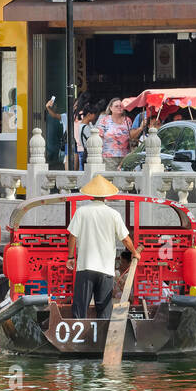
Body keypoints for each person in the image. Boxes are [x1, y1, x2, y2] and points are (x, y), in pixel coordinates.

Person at [66, 174, 141, 319]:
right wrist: (134, 252)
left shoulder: (81, 212)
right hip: (106, 269)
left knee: (80, 307)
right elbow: (125, 239)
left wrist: (70, 257)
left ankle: (78, 336)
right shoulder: (113, 214)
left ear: (90, 195)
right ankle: (103, 337)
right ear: (106, 196)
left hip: (85, 267)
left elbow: (72, 236)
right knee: (104, 308)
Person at [96, 98, 144, 169]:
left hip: (125, 157)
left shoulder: (127, 120)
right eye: (116, 106)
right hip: (109, 157)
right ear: (110, 108)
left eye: (121, 106)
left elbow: (131, 136)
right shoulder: (105, 120)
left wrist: (140, 128)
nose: (119, 107)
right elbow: (99, 138)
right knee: (110, 178)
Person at [44, 95, 64, 169]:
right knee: (54, 162)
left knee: (50, 162)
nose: (56, 108)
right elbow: (60, 132)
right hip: (54, 144)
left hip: (51, 143)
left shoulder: (49, 117)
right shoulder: (54, 118)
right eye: (55, 106)